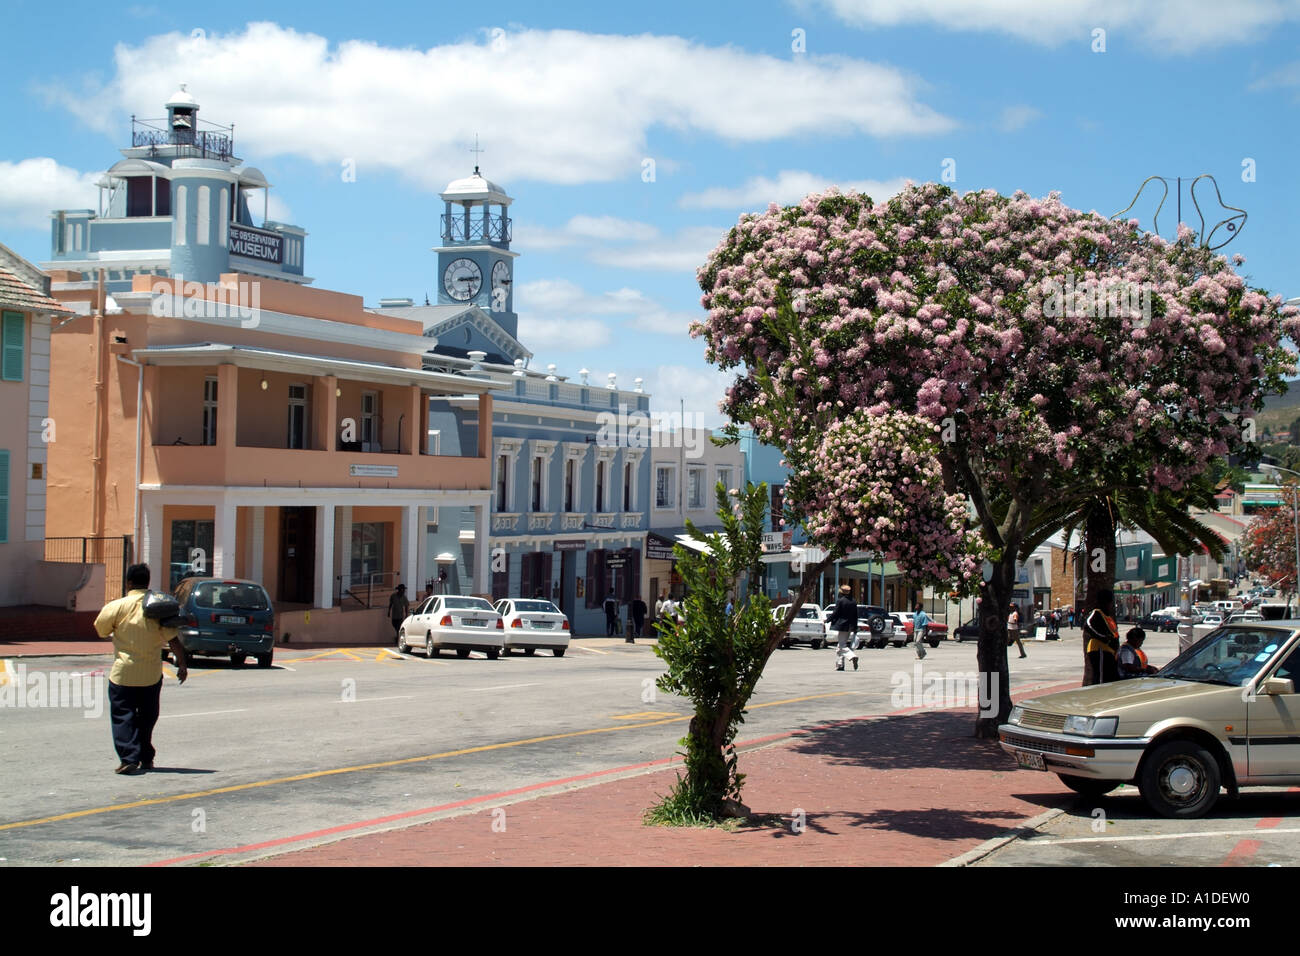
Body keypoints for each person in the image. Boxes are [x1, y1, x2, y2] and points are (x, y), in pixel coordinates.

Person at [93, 564, 187, 775]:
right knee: (147, 718)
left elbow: (100, 629)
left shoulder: (116, 606)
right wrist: (182, 664)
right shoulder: (157, 607)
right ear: (148, 581)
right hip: (151, 676)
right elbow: (174, 641)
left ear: (128, 583)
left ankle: (129, 757)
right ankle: (145, 757)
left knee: (122, 716)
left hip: (122, 674)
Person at [1083, 590, 1121, 685]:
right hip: (1099, 650)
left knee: (1109, 677)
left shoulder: (1108, 617)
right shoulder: (1097, 613)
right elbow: (1087, 625)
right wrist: (1104, 638)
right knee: (1101, 677)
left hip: (1110, 652)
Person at [827, 584, 859, 672]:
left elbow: (835, 613)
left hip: (842, 626)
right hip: (850, 626)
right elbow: (856, 616)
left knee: (841, 646)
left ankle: (852, 656)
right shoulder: (853, 601)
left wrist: (828, 620)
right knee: (839, 646)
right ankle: (840, 665)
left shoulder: (840, 601)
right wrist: (855, 627)